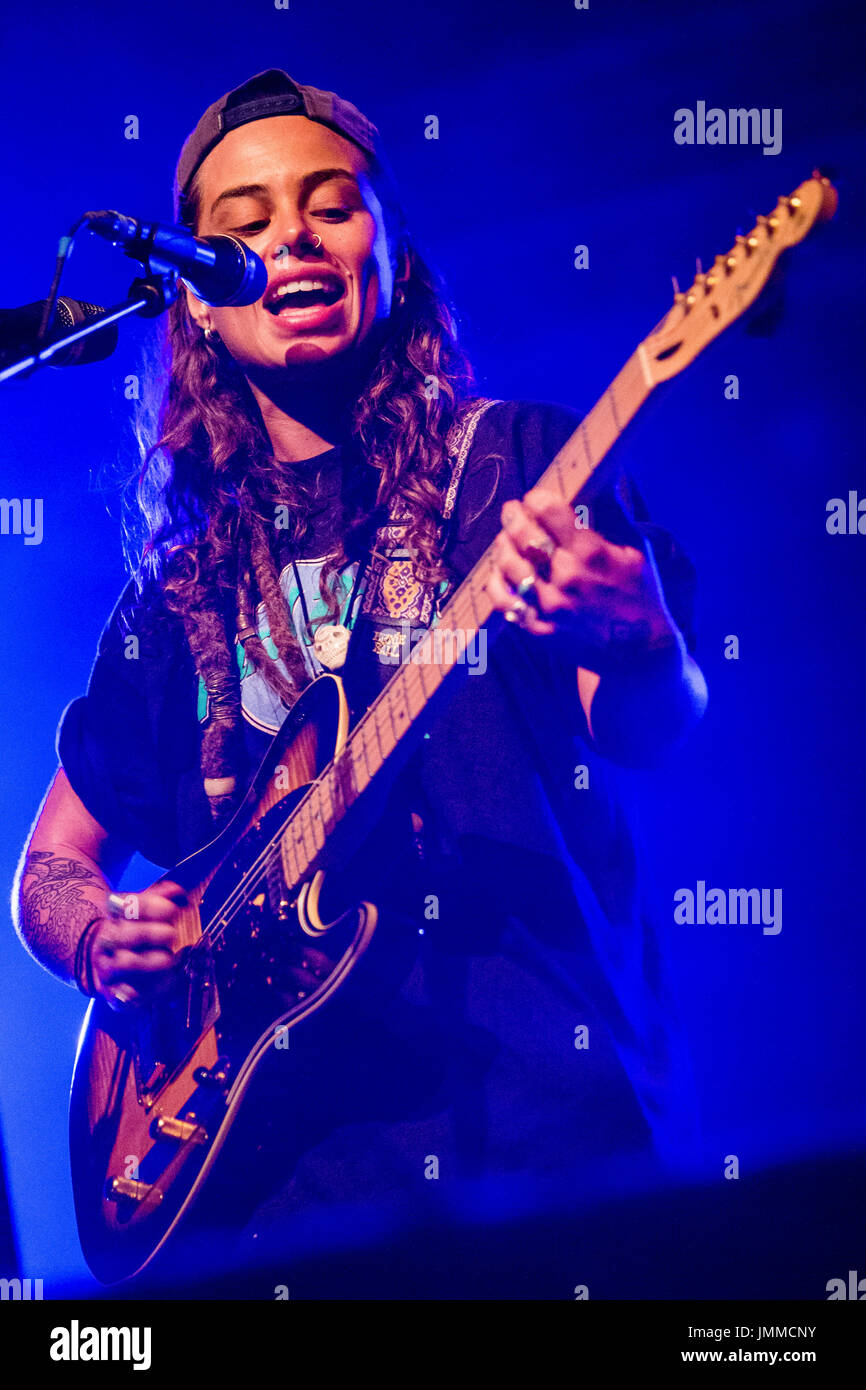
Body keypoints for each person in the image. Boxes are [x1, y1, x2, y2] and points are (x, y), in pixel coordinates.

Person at [13, 68, 707, 1299]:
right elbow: (48, 868)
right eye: (241, 222)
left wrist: (640, 634)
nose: (288, 235)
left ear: (389, 245)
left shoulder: (518, 464)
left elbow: (649, 731)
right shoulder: (173, 596)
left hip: (537, 1145)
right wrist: (102, 944)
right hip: (257, 1206)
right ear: (195, 301)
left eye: (328, 205)